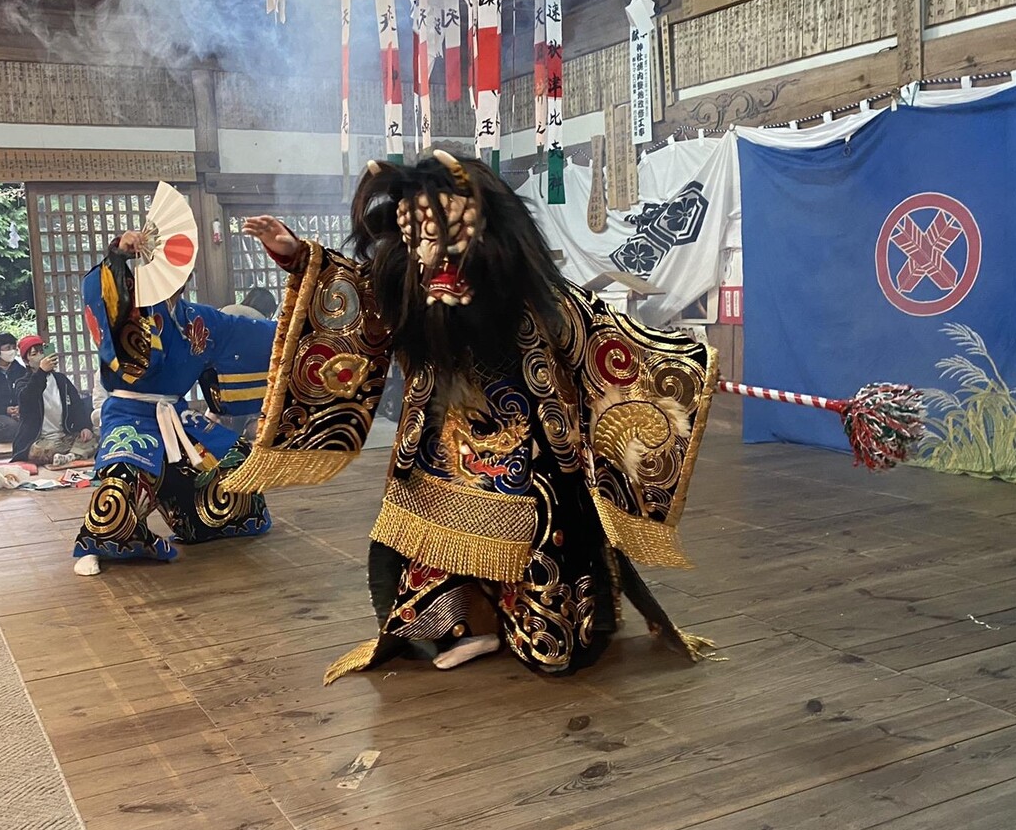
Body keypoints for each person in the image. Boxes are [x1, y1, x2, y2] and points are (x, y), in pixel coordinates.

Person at [227, 152, 718, 684]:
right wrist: (298, 255)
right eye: (417, 241)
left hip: (526, 445)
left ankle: (531, 624)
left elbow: (594, 335)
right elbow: (365, 291)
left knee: (537, 545)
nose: (430, 256)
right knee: (419, 538)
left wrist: (673, 365)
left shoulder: (533, 294)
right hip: (439, 433)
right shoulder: (409, 277)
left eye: (444, 239)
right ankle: (465, 626)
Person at [71, 230, 276, 577]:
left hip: (176, 415)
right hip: (129, 413)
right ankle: (98, 542)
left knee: (236, 456)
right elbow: (104, 299)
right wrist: (118, 254)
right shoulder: (129, 306)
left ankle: (202, 523)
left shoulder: (199, 318)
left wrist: (299, 329)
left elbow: (250, 334)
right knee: (121, 478)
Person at [11, 335, 97, 465]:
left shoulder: (61, 380)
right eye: (34, 354)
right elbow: (27, 400)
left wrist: (84, 427)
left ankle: (70, 456)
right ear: (26, 361)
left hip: (64, 436)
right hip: (40, 439)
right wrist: (41, 372)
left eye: (42, 351)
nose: (40, 356)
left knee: (94, 438)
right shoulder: (22, 383)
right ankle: (74, 454)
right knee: (40, 451)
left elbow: (77, 405)